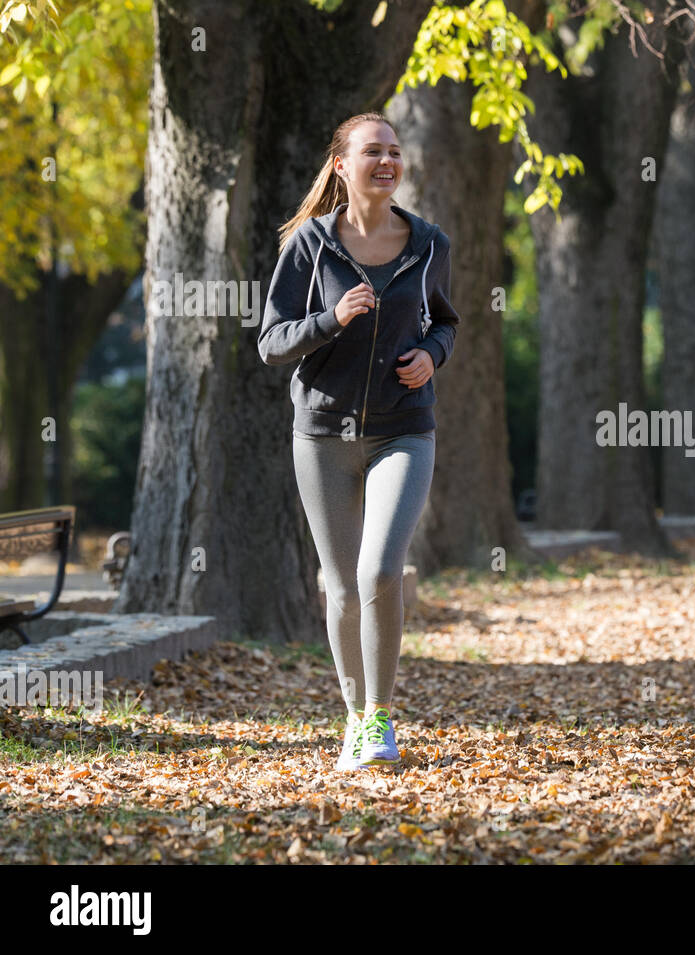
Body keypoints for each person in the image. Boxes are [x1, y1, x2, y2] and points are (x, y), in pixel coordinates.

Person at [258, 112, 460, 771]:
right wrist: (329, 318)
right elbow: (272, 341)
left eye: (395, 152)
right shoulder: (311, 246)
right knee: (342, 585)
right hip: (321, 434)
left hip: (403, 430)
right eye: (373, 151)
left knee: (380, 572)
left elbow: (446, 321)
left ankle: (380, 718)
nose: (387, 161)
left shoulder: (428, 243)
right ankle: (352, 719)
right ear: (341, 165)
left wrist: (432, 353)